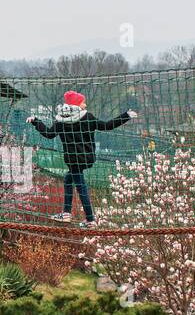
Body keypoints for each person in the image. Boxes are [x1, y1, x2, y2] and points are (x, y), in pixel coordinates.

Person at [27, 90, 136, 225]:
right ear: (77, 104)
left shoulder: (61, 121)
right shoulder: (87, 117)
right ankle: (70, 214)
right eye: (83, 102)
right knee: (68, 179)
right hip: (87, 157)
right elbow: (107, 125)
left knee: (80, 185)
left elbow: (49, 134)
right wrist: (126, 116)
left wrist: (36, 121)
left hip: (73, 159)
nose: (85, 104)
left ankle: (88, 219)